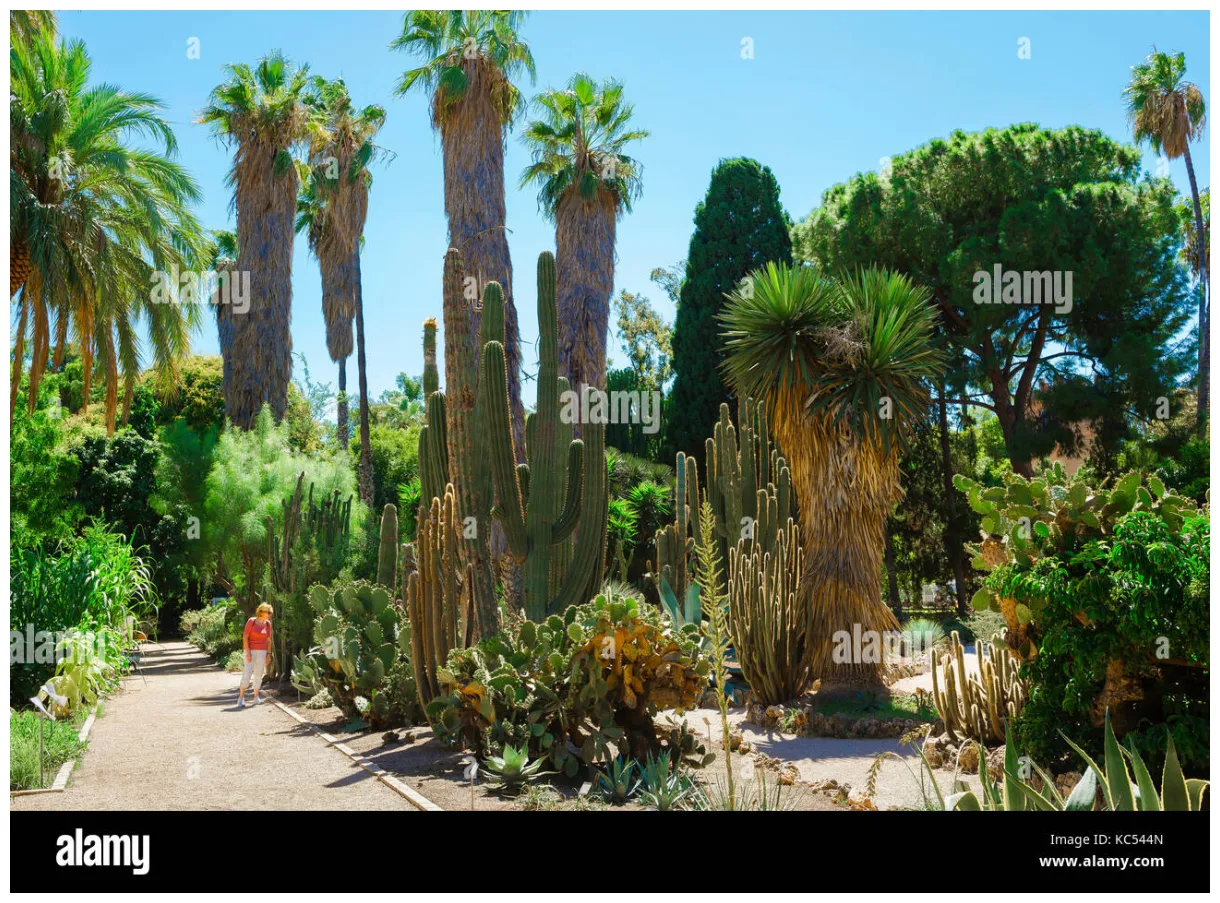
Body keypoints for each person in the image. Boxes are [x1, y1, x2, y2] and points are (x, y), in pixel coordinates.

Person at [238, 603, 273, 708]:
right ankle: (241, 698)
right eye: (269, 612)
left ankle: (256, 697)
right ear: (261, 612)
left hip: (262, 652)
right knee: (247, 674)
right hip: (251, 651)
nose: (270, 615)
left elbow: (268, 640)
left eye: (271, 613)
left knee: (258, 675)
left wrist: (268, 654)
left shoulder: (268, 624)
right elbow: (245, 637)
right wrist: (247, 652)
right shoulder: (251, 621)